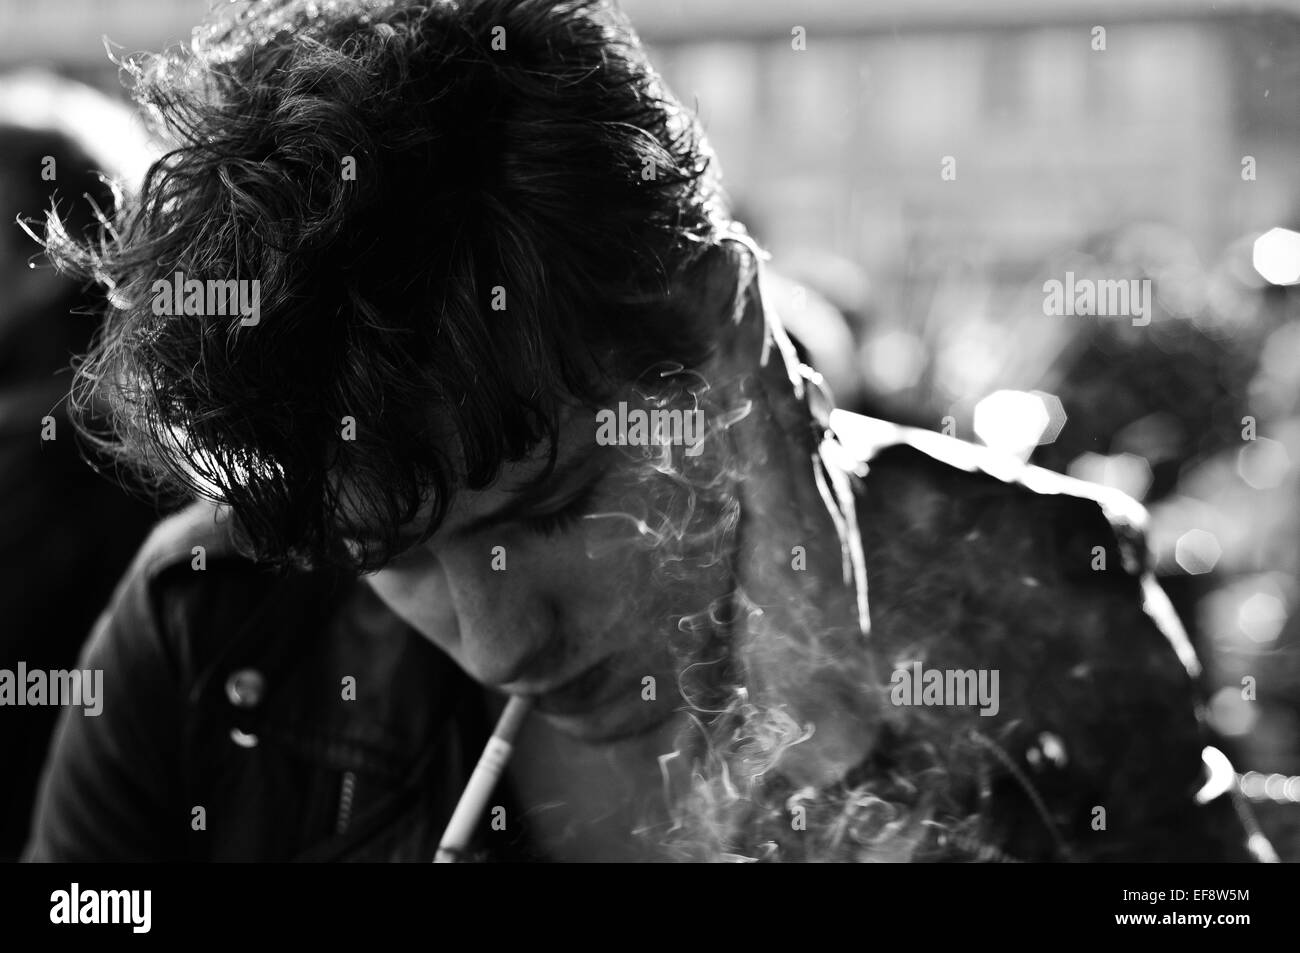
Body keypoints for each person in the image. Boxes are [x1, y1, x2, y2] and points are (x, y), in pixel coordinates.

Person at [24, 0, 1270, 862]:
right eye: (391, 550)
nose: (503, 636)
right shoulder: (212, 629)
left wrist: (857, 768)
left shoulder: (1033, 585)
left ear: (718, 331)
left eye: (553, 504)